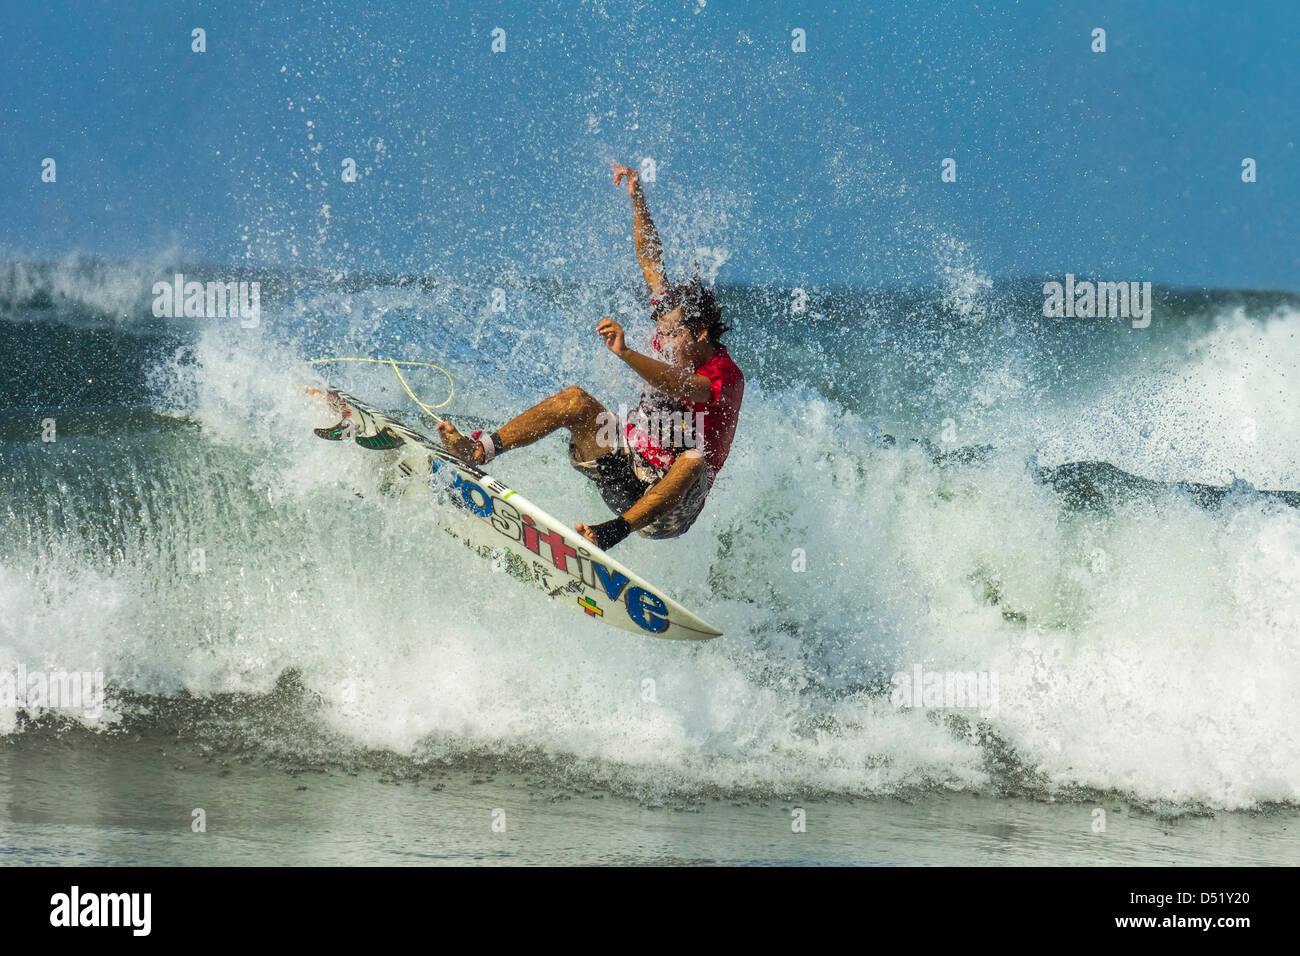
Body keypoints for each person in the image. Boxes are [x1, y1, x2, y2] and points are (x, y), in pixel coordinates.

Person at [437, 162, 745, 552]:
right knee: (575, 400)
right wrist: (637, 198)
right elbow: (650, 260)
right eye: (661, 330)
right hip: (626, 468)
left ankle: (609, 534)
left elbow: (686, 386)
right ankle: (479, 450)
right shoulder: (673, 323)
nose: (663, 340)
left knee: (693, 461)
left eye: (672, 333)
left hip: (669, 507)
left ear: (700, 334)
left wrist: (627, 353)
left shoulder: (726, 374)